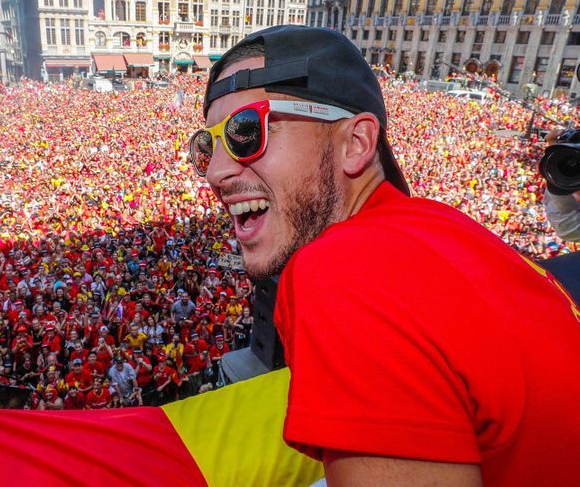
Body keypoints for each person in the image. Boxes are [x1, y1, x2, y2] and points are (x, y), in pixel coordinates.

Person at [194, 25, 580, 486]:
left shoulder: (342, 273)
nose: (215, 171)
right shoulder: (445, 227)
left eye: (245, 130)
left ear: (355, 144)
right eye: (207, 146)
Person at [542, 129, 580, 241]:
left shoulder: (560, 162)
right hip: (573, 225)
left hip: (565, 223)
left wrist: (551, 141)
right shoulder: (565, 173)